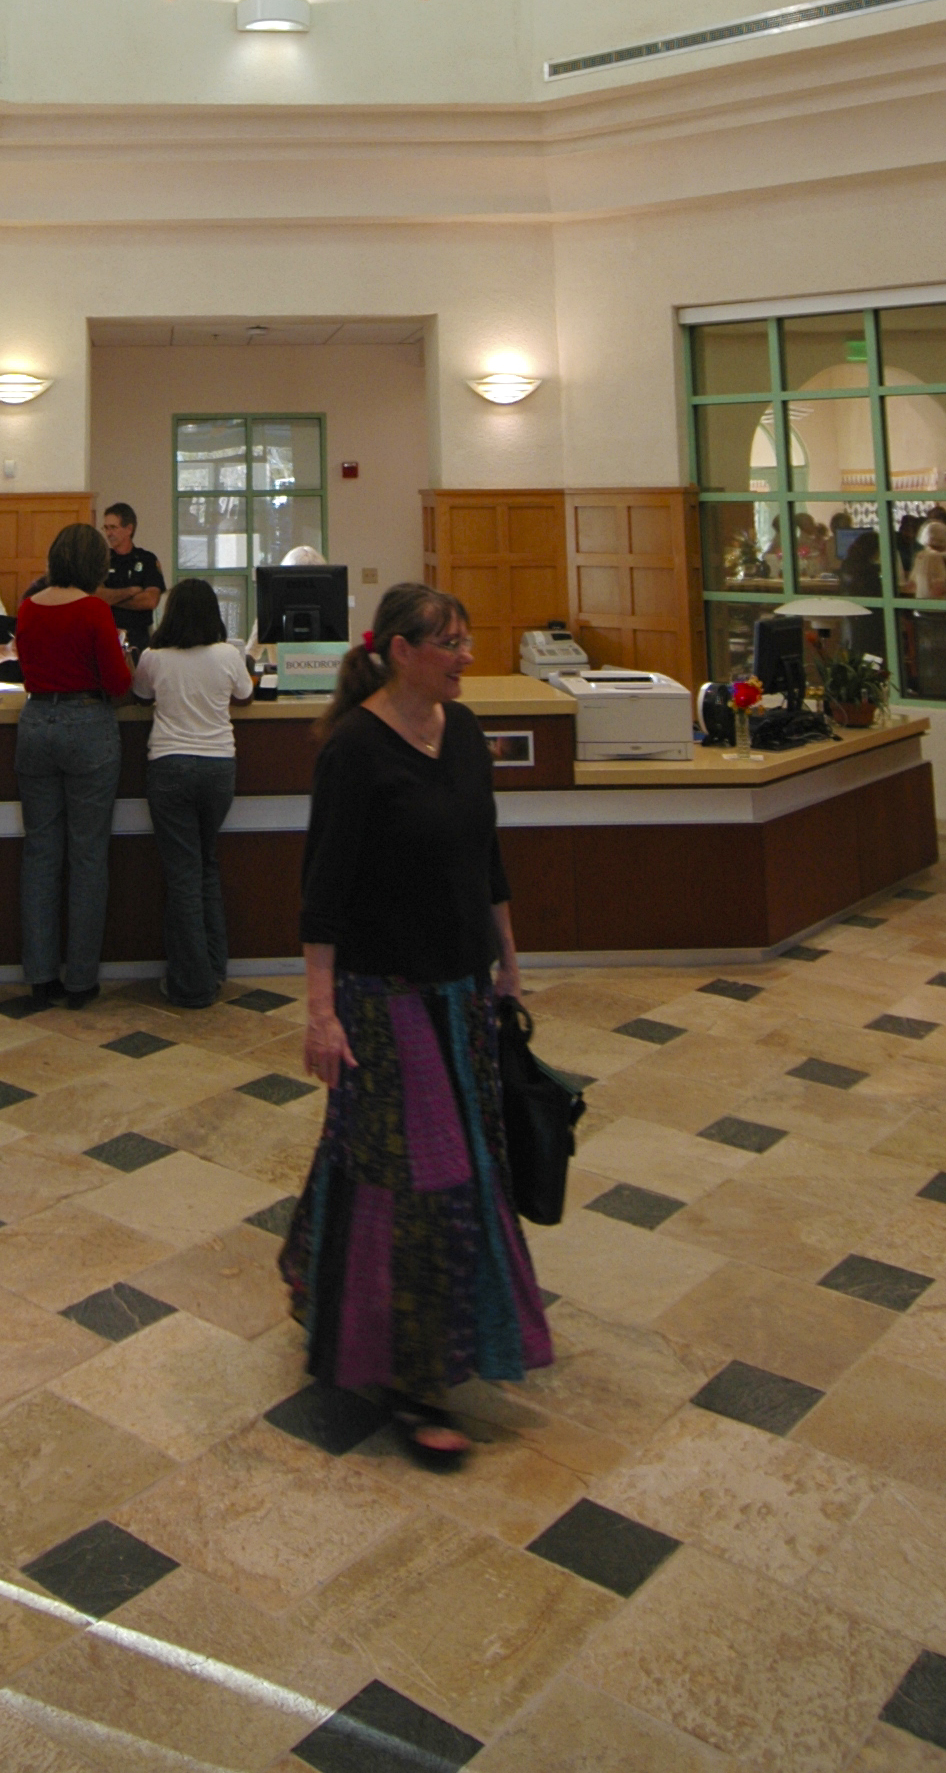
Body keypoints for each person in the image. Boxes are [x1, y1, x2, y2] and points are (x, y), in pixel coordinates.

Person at [279, 580, 551, 1469]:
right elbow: (323, 891)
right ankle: (413, 1376)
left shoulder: (464, 732)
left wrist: (507, 958)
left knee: (426, 1158)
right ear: (400, 650)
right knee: (421, 1176)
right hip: (381, 993)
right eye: (451, 643)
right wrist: (319, 1013)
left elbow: (486, 853)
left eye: (468, 640)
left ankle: (318, 1273)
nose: (468, 656)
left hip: (461, 988)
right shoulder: (355, 749)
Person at [13, 522, 133, 1011]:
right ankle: (81, 979)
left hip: (37, 722)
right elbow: (118, 683)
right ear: (93, 564)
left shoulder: (27, 608)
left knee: (40, 853)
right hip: (88, 727)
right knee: (87, 856)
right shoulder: (94, 610)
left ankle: (41, 975)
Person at [133, 579, 252, 1008]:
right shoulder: (228, 654)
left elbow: (140, 695)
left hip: (169, 767)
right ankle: (214, 968)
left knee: (183, 874)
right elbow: (246, 695)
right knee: (206, 866)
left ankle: (191, 983)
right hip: (219, 766)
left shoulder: (154, 657)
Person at [100, 503, 165, 633]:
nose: (108, 533)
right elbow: (95, 595)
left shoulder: (146, 559)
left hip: (139, 634)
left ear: (129, 529)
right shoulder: (101, 559)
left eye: (113, 527)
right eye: (106, 528)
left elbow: (150, 600)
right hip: (107, 633)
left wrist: (111, 598)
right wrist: (130, 591)